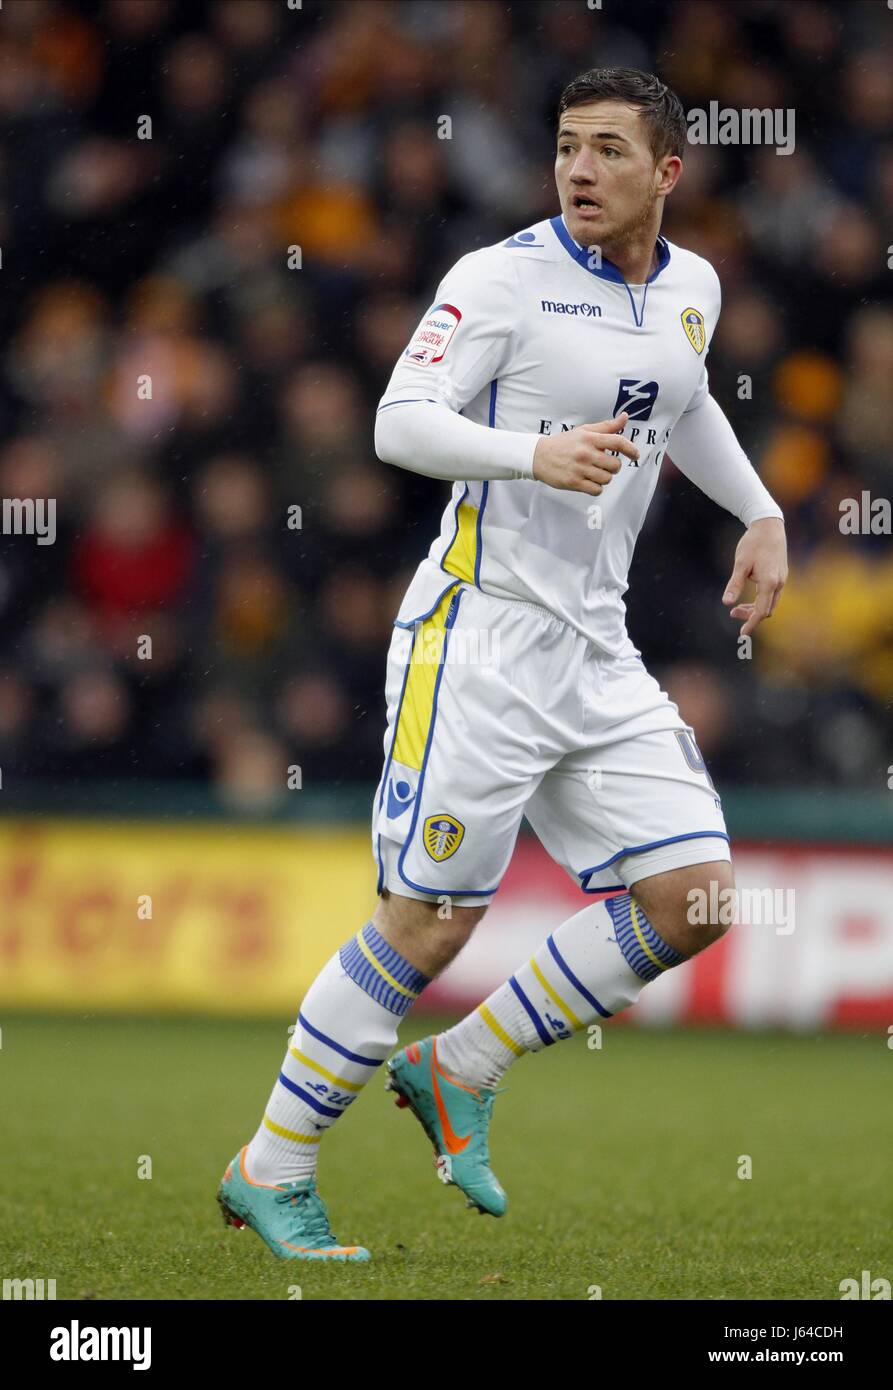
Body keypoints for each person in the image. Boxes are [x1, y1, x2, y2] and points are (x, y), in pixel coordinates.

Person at [217, 67, 787, 1261]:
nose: (579, 170)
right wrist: (532, 454)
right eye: (567, 146)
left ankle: (462, 1064)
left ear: (667, 173)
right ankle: (271, 1164)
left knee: (695, 899)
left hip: (595, 644)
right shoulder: (498, 278)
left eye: (609, 152)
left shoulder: (692, 284)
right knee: (427, 924)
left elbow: (677, 403)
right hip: (476, 636)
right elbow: (398, 421)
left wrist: (758, 510)